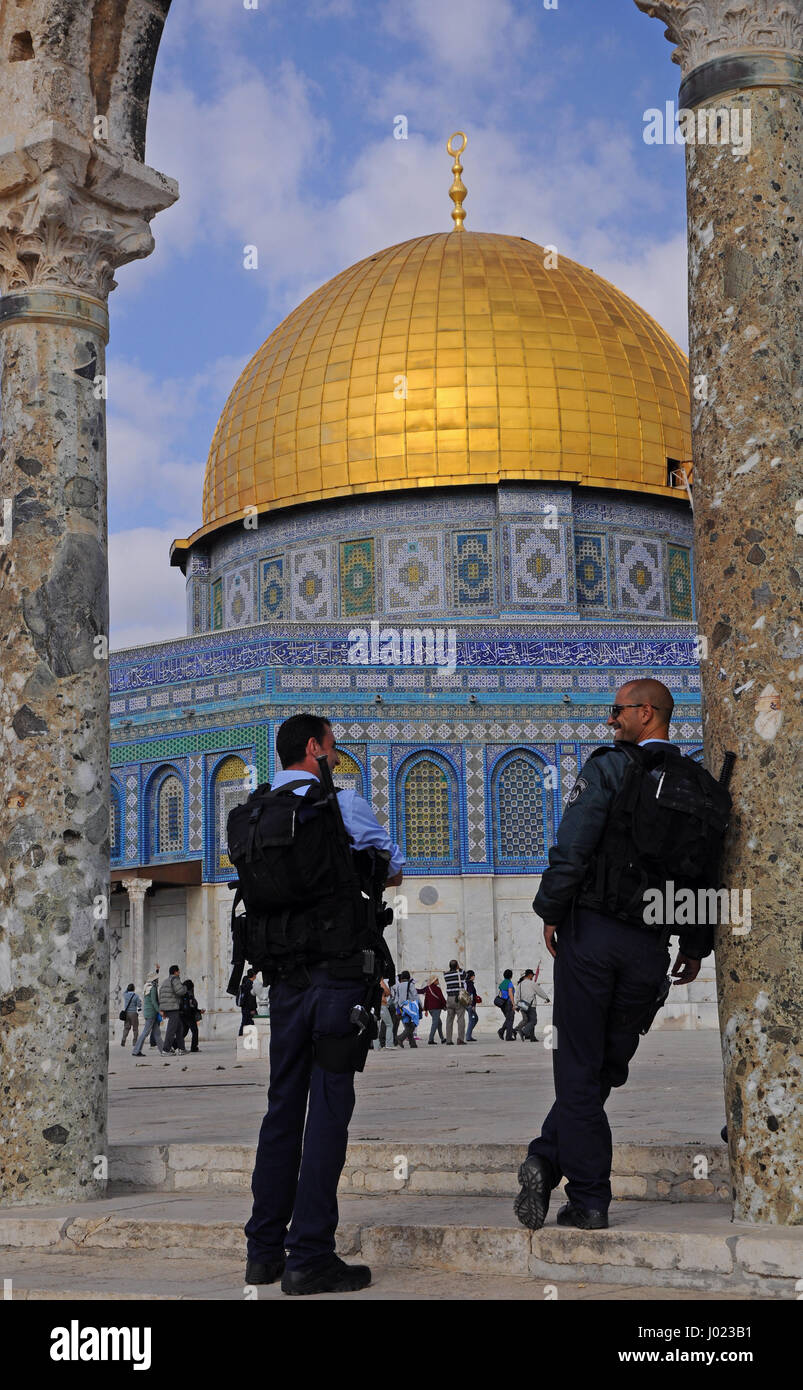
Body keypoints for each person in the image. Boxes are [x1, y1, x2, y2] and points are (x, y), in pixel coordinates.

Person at [515, 678, 730, 1234]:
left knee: (580, 1070)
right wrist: (696, 944)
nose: (611, 720)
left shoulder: (611, 767)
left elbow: (574, 843)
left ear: (646, 713)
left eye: (617, 710)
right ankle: (544, 1156)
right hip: (650, 948)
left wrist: (551, 909)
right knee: (606, 1067)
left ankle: (589, 1198)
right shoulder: (701, 786)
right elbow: (706, 873)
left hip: (595, 934)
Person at [242, 713, 403, 1295]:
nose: (335, 757)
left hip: (283, 985)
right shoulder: (344, 804)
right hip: (337, 985)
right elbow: (394, 871)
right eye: (331, 748)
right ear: (313, 749)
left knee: (281, 1109)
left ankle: (263, 1251)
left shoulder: (254, 811)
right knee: (329, 1112)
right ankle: (310, 1254)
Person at [132, 966, 163, 1056]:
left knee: (157, 1033)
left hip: (148, 1012)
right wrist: (159, 1011)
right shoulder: (152, 988)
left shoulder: (146, 986)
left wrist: (157, 970)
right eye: (157, 979)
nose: (158, 980)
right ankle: (136, 1050)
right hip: (151, 1013)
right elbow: (154, 1001)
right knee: (145, 1033)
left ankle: (164, 1050)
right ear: (155, 980)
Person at [159, 964, 187, 1055]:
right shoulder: (175, 979)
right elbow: (180, 991)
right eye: (178, 971)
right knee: (171, 1029)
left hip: (167, 1007)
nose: (179, 972)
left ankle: (182, 1049)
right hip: (173, 1007)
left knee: (179, 1028)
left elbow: (161, 995)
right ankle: (166, 1050)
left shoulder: (165, 981)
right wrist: (185, 988)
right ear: (175, 972)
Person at [515, 969, 550, 1041]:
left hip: (522, 1005)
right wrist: (546, 998)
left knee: (529, 1021)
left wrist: (517, 1005)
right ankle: (523, 1031)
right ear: (530, 975)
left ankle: (532, 1037)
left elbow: (517, 996)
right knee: (533, 1021)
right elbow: (539, 991)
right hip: (531, 1005)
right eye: (532, 975)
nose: (533, 976)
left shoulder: (520, 984)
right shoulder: (532, 983)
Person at [443, 959, 468, 1045]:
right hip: (458, 998)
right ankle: (460, 1039)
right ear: (457, 965)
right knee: (460, 1019)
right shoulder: (460, 973)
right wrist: (459, 968)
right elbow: (466, 973)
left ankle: (448, 1040)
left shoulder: (446, 975)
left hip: (449, 998)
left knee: (449, 1020)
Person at [391, 971, 419, 1047]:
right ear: (409, 977)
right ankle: (400, 1038)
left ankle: (412, 1043)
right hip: (409, 1007)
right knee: (412, 1025)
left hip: (401, 1008)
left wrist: (397, 1010)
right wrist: (419, 1006)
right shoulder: (411, 985)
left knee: (407, 1025)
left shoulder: (398, 986)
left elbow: (396, 1000)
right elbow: (415, 996)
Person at [420, 977, 447, 1044]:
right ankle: (430, 1039)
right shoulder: (437, 989)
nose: (438, 981)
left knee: (439, 1023)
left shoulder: (427, 988)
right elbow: (442, 998)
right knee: (435, 1023)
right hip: (436, 1008)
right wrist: (446, 1005)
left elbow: (426, 999)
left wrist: (426, 1009)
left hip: (430, 1009)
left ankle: (442, 1038)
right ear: (433, 981)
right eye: (436, 980)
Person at [181, 978, 203, 1052]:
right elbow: (192, 1006)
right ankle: (194, 1047)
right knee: (195, 1031)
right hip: (189, 1015)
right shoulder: (189, 994)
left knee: (184, 1032)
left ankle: (174, 1044)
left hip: (183, 1015)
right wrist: (198, 1011)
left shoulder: (182, 993)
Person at [373, 978, 395, 1050]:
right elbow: (387, 992)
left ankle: (376, 1046)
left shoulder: (368, 980)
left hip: (372, 1006)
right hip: (381, 1004)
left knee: (376, 1026)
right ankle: (389, 1044)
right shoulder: (379, 980)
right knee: (389, 1024)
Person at [496, 969, 516, 1040]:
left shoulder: (503, 983)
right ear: (511, 976)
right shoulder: (509, 983)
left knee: (509, 1018)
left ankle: (502, 1031)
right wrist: (513, 1004)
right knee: (510, 1019)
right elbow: (510, 993)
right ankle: (508, 1036)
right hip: (508, 1002)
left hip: (502, 1003)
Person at [238, 969, 258, 1036]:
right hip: (249, 1008)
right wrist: (252, 1009)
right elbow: (251, 998)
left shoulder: (245, 983)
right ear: (254, 975)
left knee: (245, 1022)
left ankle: (242, 1036)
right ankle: (242, 1036)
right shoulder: (250, 984)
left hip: (244, 1007)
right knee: (251, 1022)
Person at [464, 970, 482, 1041]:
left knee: (474, 1019)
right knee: (472, 1019)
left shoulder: (466, 983)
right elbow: (471, 995)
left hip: (466, 1004)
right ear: (471, 976)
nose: (474, 976)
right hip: (470, 1005)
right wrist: (472, 1005)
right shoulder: (470, 984)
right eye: (473, 975)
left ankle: (469, 1034)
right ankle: (468, 1036)